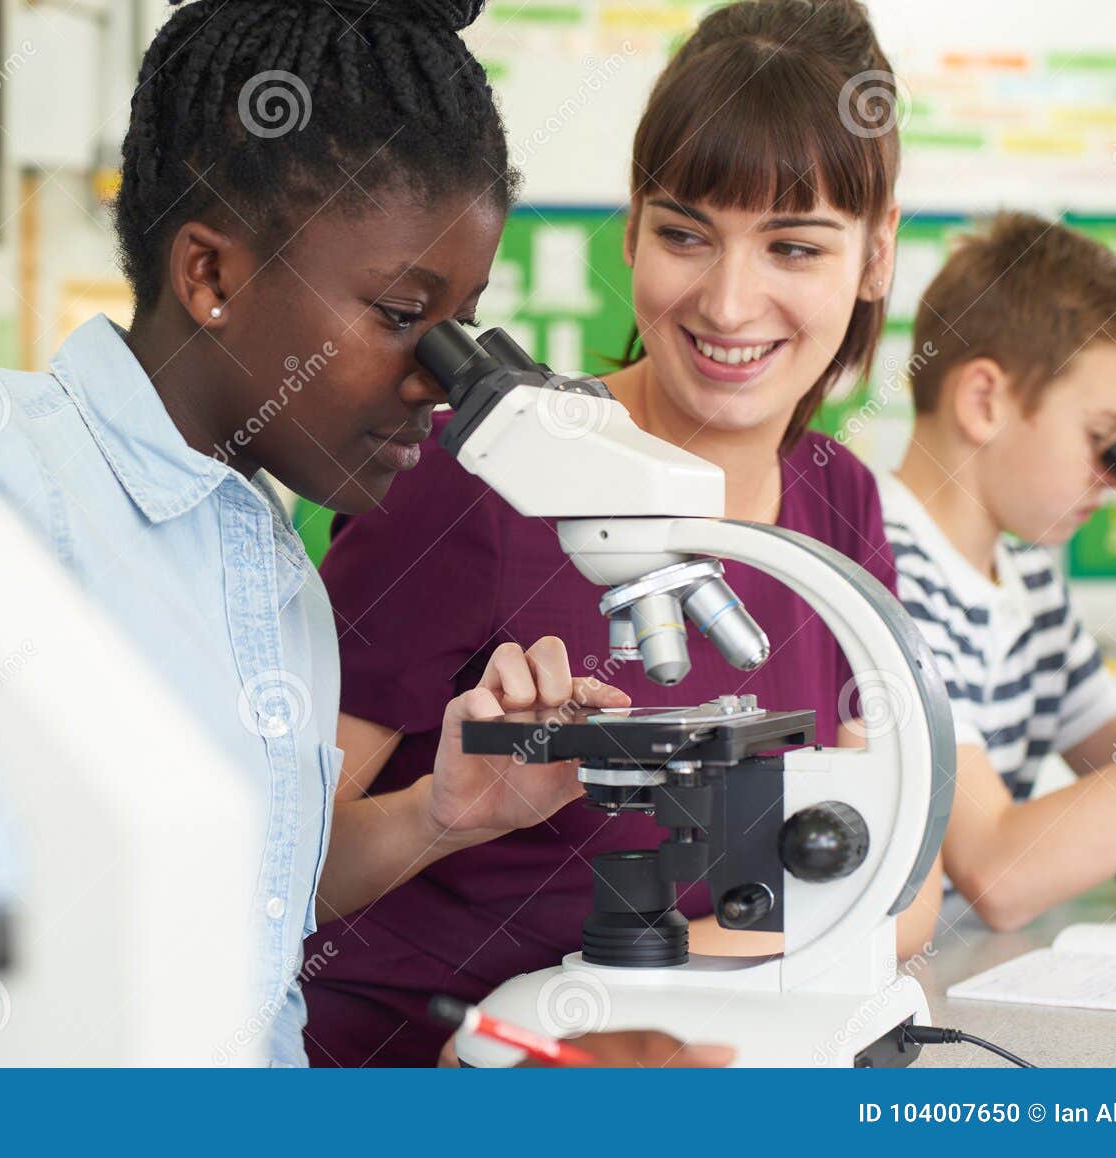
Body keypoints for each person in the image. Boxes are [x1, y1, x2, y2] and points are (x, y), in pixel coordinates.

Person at [0, 0, 729, 1069]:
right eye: (398, 314)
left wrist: (443, 814)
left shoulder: (267, 558)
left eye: (460, 325)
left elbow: (251, 917)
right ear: (209, 275)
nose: (437, 383)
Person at [302, 0, 943, 1068]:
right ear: (634, 227)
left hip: (667, 1060)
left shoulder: (838, 499)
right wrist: (444, 818)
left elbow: (894, 880)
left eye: (792, 245)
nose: (729, 304)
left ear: (875, 257)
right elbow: (267, 877)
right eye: (686, 234)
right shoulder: (475, 474)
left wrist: (630, 990)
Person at [884, 211, 1116, 932]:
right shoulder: (883, 570)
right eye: (1102, 440)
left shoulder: (1027, 582)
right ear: (985, 401)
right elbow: (1000, 872)